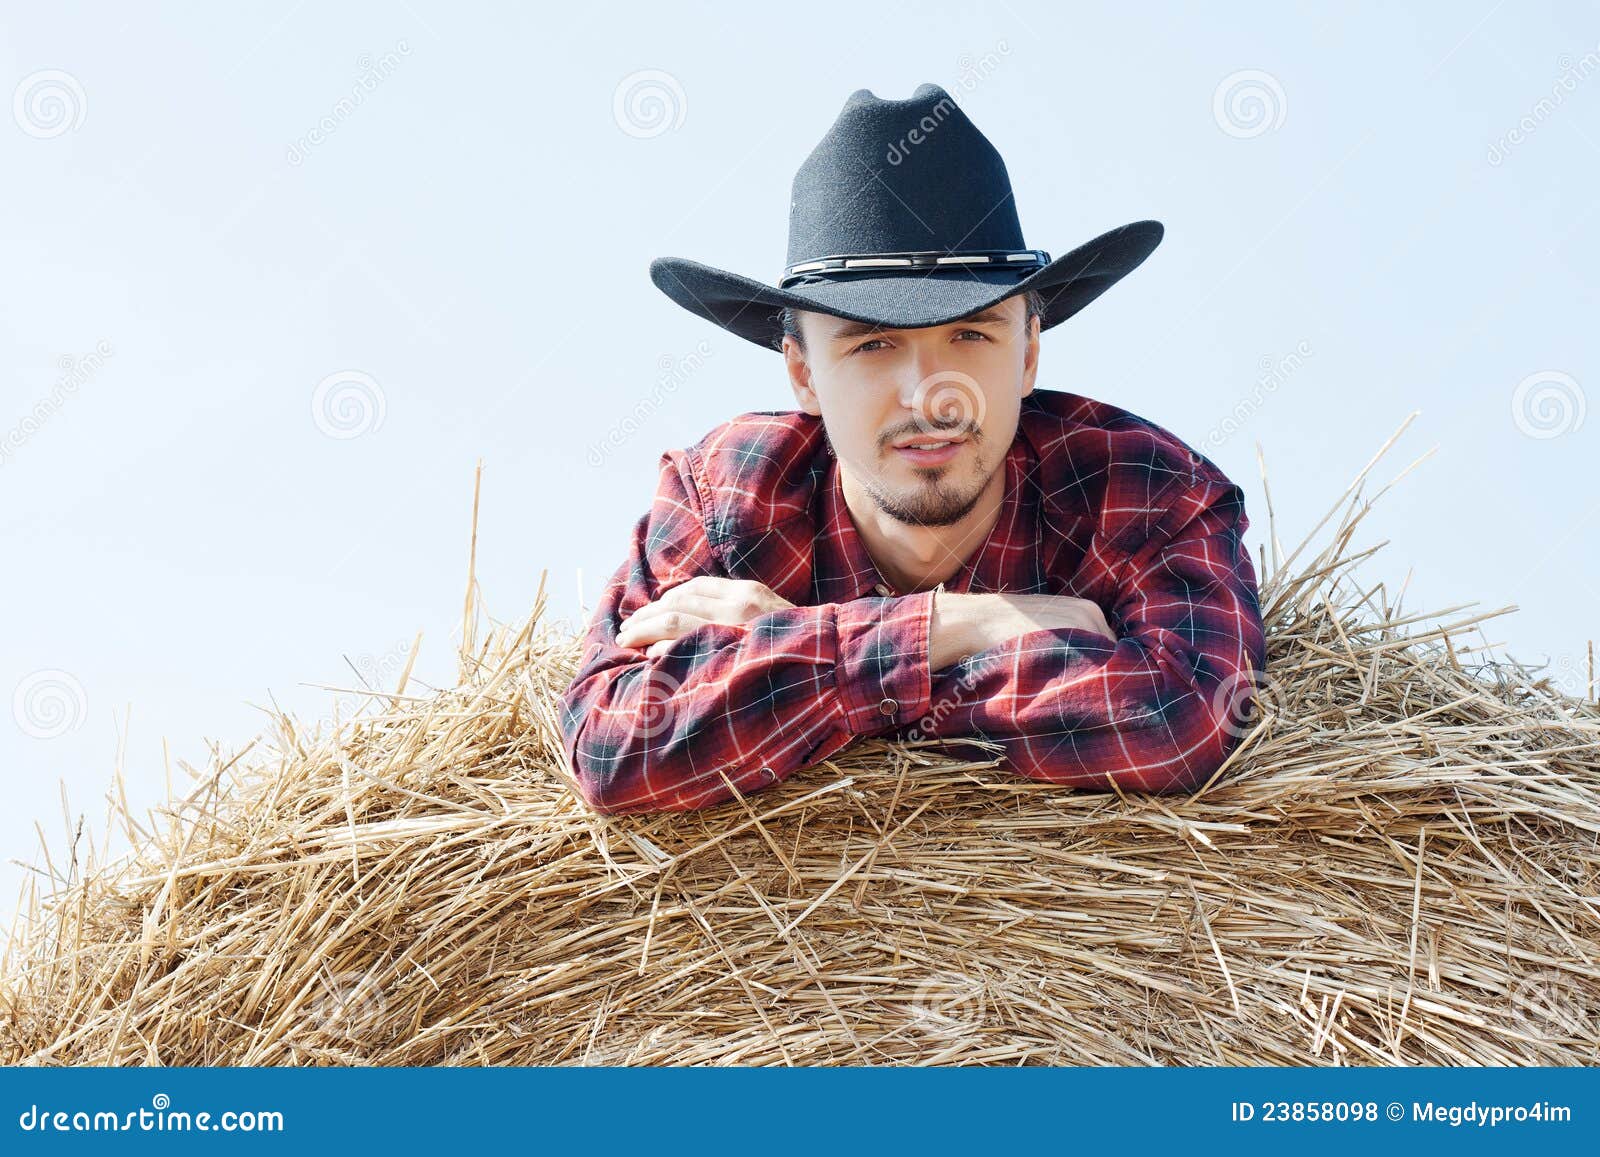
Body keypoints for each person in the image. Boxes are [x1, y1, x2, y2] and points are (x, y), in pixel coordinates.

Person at [557, 83, 1266, 815]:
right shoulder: (728, 494)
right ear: (803, 372)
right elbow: (616, 747)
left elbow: (1186, 719)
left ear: (1028, 353)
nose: (931, 394)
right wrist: (966, 627)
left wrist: (784, 650)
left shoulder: (1148, 489)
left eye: (971, 334)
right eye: (873, 344)